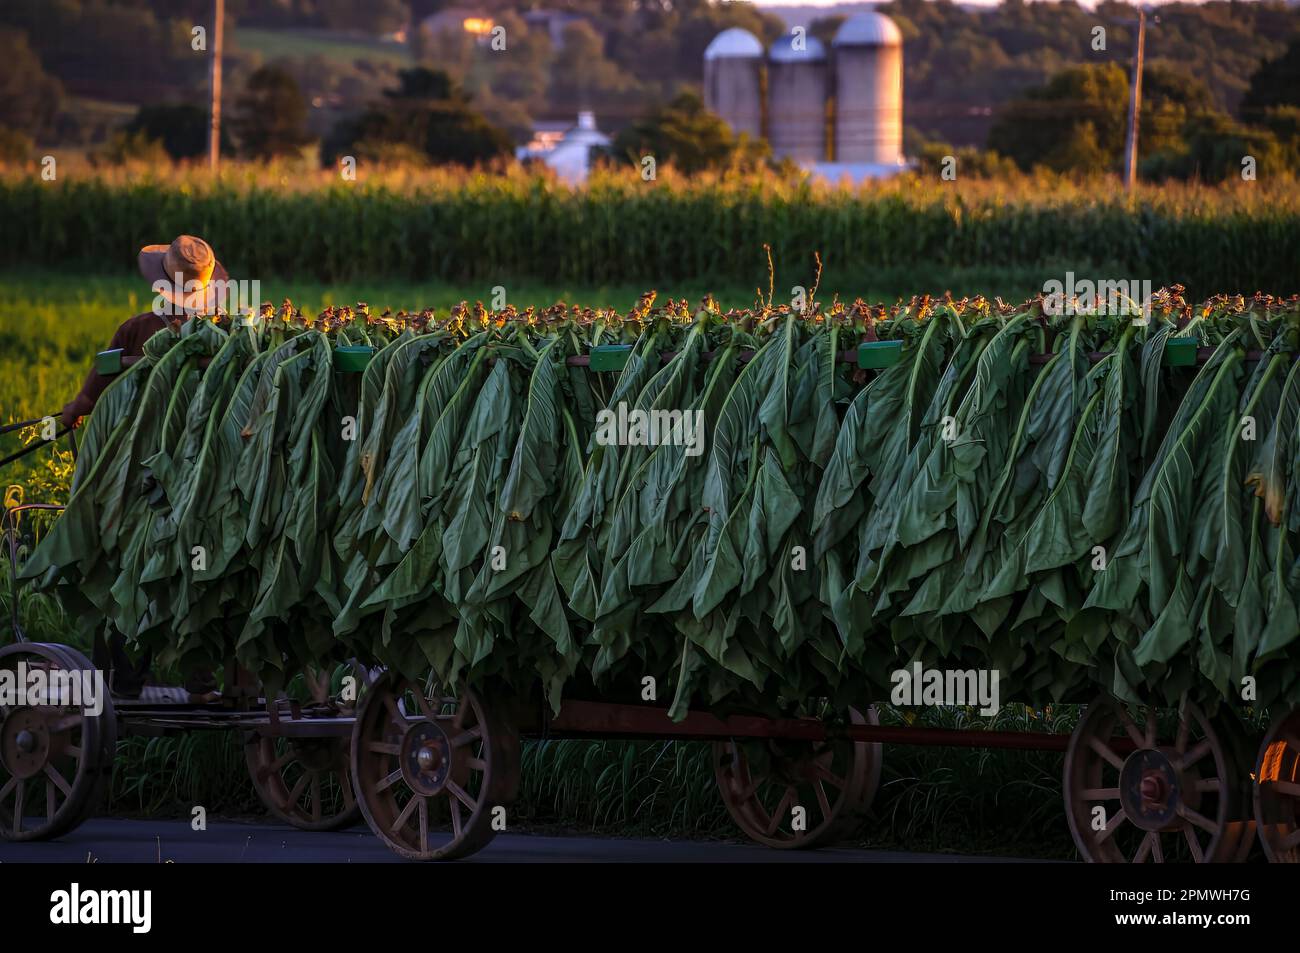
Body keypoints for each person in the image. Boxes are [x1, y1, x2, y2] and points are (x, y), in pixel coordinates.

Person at [63, 236, 227, 703]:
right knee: (193, 573)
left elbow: (92, 391)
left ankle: (121, 686)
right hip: (196, 478)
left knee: (124, 567)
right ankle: (201, 684)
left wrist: (73, 412)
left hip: (134, 480)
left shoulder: (136, 330)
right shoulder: (222, 336)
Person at [61, 235, 228, 427]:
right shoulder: (223, 332)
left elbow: (104, 369)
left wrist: (76, 408)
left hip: (139, 432)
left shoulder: (136, 328)